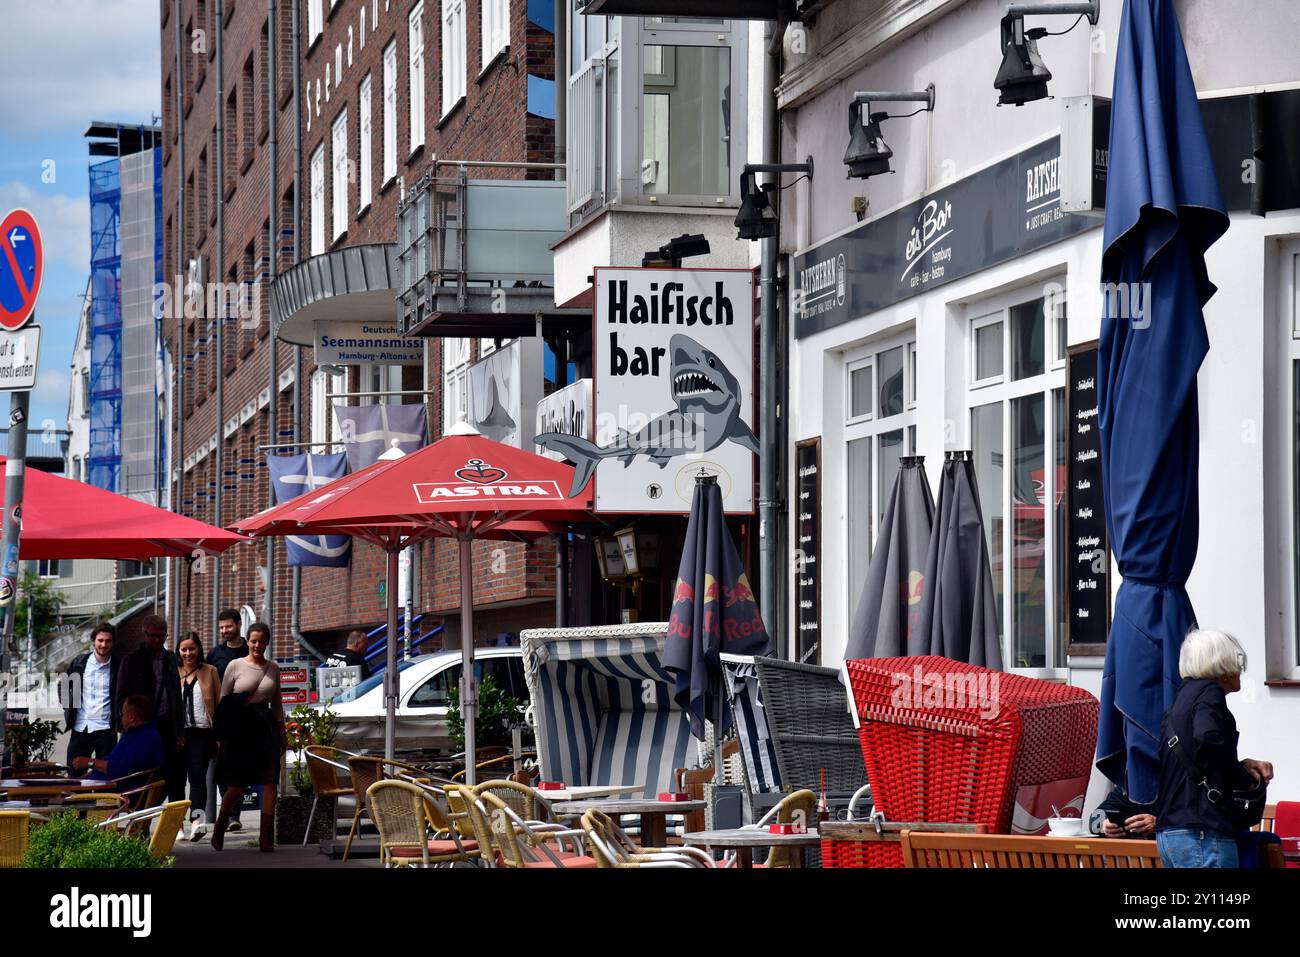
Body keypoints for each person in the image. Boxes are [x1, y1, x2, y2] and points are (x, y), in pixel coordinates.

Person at [1155, 629, 1274, 868]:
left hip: (1171, 833)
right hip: (1202, 833)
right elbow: (1208, 740)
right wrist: (1244, 778)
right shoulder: (1210, 692)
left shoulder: (1181, 700)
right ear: (1221, 663)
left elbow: (1195, 756)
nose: (1240, 668)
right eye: (1237, 660)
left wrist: (1240, 764)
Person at [212, 621, 286, 852]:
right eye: (254, 640)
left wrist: (282, 735)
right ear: (248, 640)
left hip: (265, 728)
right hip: (240, 729)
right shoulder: (235, 665)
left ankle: (266, 838)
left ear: (267, 642)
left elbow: (277, 705)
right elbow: (224, 702)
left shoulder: (273, 667)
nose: (257, 645)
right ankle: (220, 826)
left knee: (270, 781)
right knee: (237, 786)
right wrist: (221, 736)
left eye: (262, 641)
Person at [122, 614, 185, 801]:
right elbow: (121, 695)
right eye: (153, 636)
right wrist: (124, 725)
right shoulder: (133, 659)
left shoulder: (171, 658)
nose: (157, 640)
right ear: (145, 634)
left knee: (171, 776)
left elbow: (176, 696)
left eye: (161, 636)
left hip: (167, 725)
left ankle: (173, 821)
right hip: (142, 726)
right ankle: (141, 819)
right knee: (143, 776)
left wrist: (179, 730)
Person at [178, 633, 221, 841]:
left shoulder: (210, 671)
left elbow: (218, 705)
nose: (188, 653)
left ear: (199, 650)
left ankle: (197, 822)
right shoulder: (172, 672)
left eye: (192, 649)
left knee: (197, 778)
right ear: (178, 650)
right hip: (177, 733)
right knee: (176, 781)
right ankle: (176, 825)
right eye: (184, 649)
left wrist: (219, 735)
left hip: (202, 733)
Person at [62, 623, 123, 769]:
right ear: (93, 641)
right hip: (81, 727)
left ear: (113, 642)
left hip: (106, 730)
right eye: (100, 640)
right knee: (74, 774)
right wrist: (68, 706)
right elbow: (63, 685)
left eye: (108, 641)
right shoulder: (79, 663)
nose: (104, 644)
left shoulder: (120, 665)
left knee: (106, 776)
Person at [72, 695, 164, 786]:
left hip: (112, 796)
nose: (121, 718)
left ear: (132, 718)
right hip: (102, 786)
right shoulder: (140, 734)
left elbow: (116, 768)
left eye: (122, 714)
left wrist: (89, 762)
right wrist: (84, 778)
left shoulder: (143, 739)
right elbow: (115, 762)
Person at [207, 609, 248, 680]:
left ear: (239, 624)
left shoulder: (250, 650)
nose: (224, 631)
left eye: (228, 626)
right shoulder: (214, 653)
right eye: (221, 627)